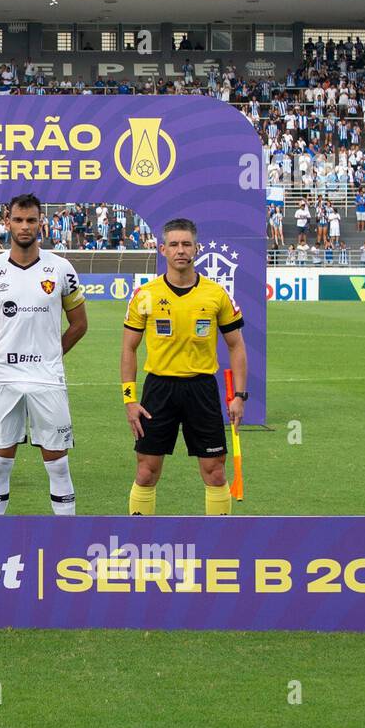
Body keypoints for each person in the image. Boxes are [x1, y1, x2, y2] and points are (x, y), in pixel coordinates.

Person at [121, 218, 247, 517]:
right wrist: (130, 399)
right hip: (158, 390)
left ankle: (219, 544)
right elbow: (128, 348)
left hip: (201, 389)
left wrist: (239, 395)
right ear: (162, 249)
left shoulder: (216, 294)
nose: (181, 250)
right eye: (174, 244)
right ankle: (140, 542)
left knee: (215, 471)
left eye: (186, 244)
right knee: (146, 472)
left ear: (197, 248)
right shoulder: (145, 295)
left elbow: (236, 345)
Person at [0, 194, 88, 515]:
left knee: (59, 467)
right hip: (4, 378)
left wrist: (52, 354)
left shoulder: (61, 268)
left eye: (31, 220)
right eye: (19, 220)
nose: (25, 227)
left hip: (47, 379)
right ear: (7, 222)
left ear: (41, 223)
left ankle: (66, 540)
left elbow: (79, 324)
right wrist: (3, 352)